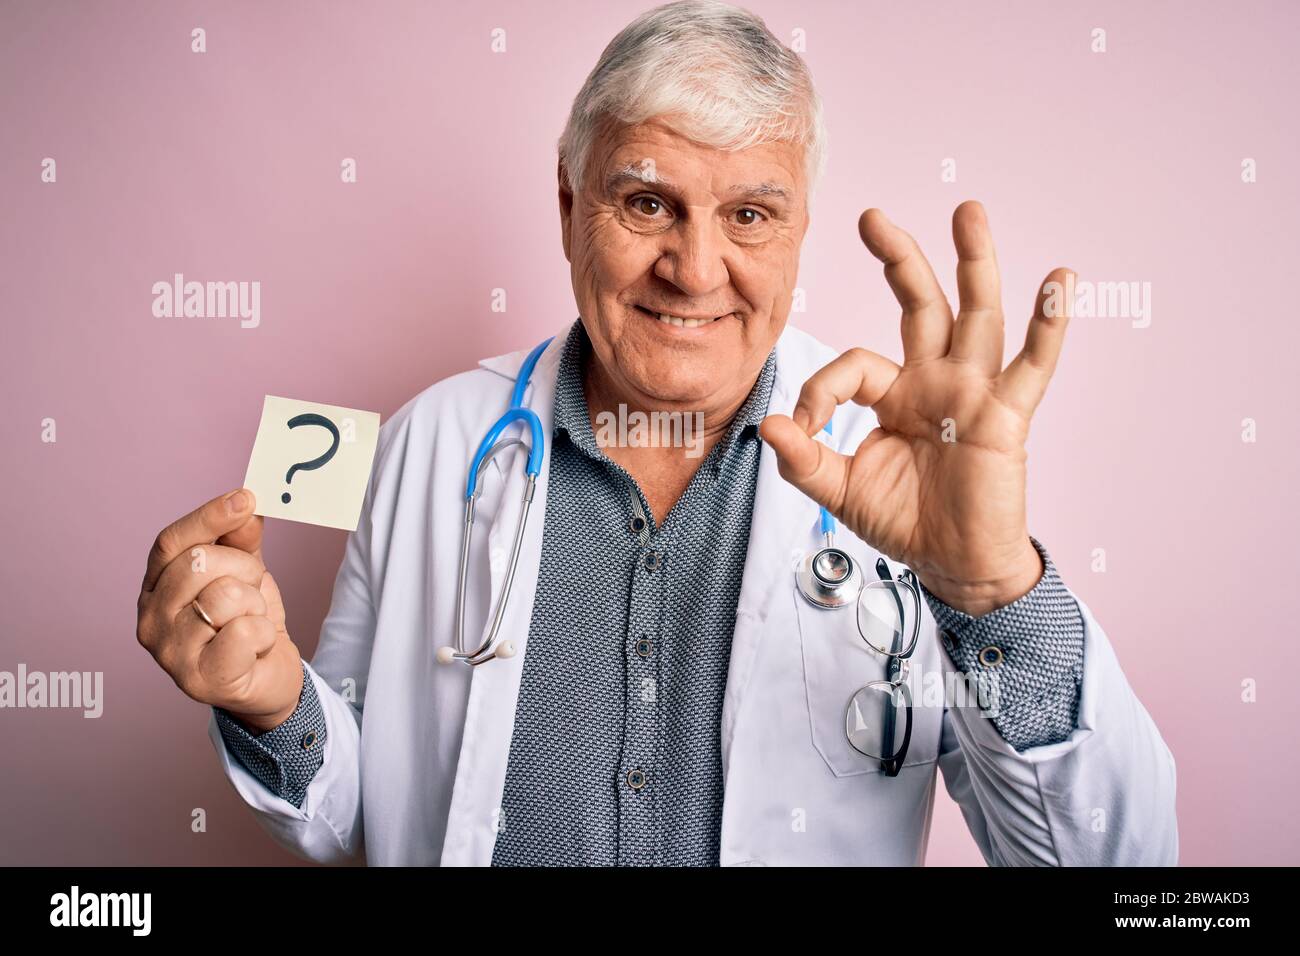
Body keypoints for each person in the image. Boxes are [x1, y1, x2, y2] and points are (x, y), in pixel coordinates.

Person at [134, 0, 1177, 866]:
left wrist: (990, 589)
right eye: (646, 203)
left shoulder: (904, 468)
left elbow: (1119, 863)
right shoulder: (431, 441)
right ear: (567, 204)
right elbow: (363, 803)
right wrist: (274, 703)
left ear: (801, 228)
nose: (695, 267)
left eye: (750, 216)